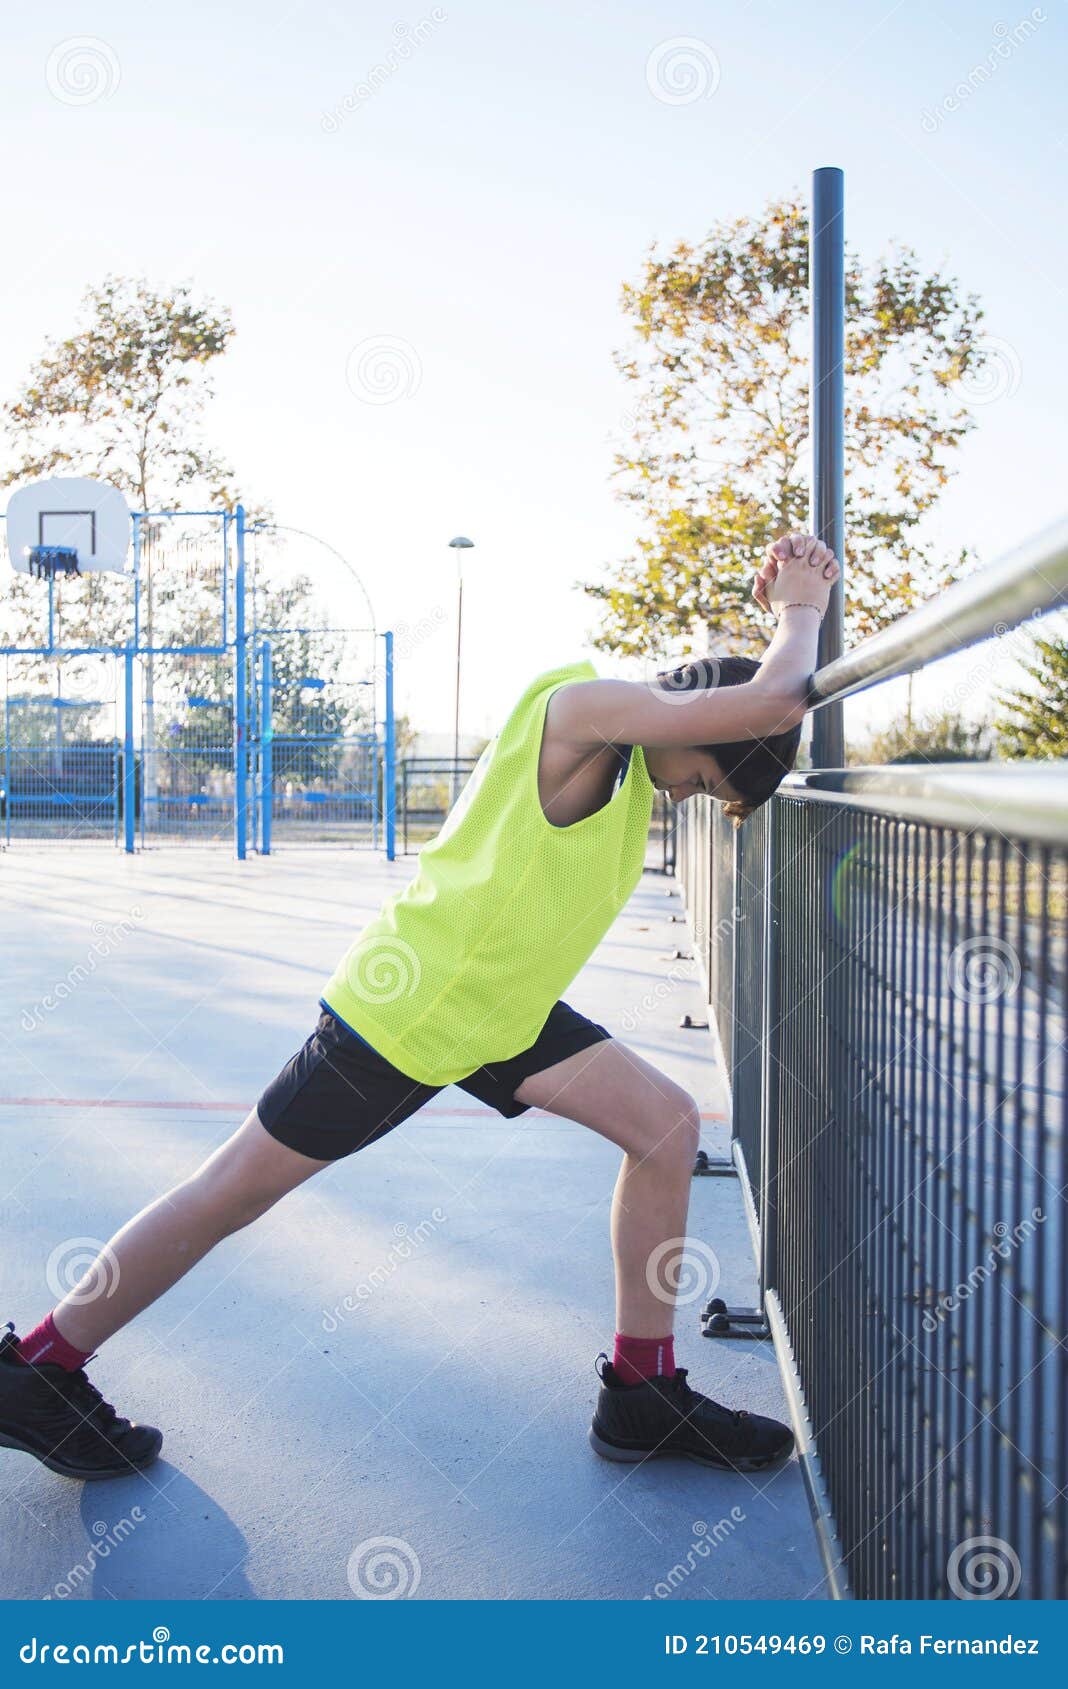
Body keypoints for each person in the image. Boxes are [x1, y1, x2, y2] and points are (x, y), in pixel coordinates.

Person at [1, 533, 839, 1481]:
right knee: (231, 1192)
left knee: (666, 1126)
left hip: (498, 1012)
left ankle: (641, 1393)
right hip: (411, 1010)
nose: (686, 796)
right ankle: (38, 1366)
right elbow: (772, 700)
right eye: (704, 779)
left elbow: (762, 706)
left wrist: (782, 639)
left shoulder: (640, 759)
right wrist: (800, 607)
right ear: (702, 720)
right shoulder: (586, 709)